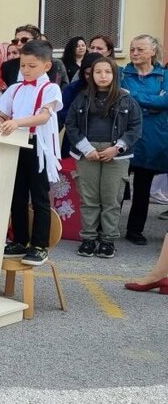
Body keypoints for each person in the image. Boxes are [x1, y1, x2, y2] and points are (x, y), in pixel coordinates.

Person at [0, 40, 63, 267]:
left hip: (37, 148)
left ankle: (39, 245)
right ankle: (20, 240)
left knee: (40, 197)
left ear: (46, 66)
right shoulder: (15, 88)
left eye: (32, 66)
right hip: (16, 146)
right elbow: (2, 113)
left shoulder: (50, 88)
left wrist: (16, 122)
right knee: (17, 195)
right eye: (23, 65)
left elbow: (44, 116)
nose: (26, 70)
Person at [65, 57, 141, 259]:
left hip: (116, 154)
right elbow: (71, 125)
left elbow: (135, 128)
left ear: (115, 75)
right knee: (89, 198)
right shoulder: (82, 97)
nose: (103, 76)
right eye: (98, 72)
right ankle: (88, 239)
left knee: (111, 199)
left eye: (108, 71)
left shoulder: (126, 99)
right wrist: (85, 148)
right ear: (91, 75)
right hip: (86, 152)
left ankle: (107, 240)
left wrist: (117, 148)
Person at [119, 35, 167, 246]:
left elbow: (165, 101)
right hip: (125, 134)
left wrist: (135, 96)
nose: (134, 53)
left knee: (142, 186)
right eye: (132, 49)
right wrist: (153, 103)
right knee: (117, 186)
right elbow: (120, 98)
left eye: (140, 49)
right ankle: (108, 228)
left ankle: (134, 230)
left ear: (153, 52)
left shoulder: (164, 75)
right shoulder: (122, 73)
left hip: (152, 137)